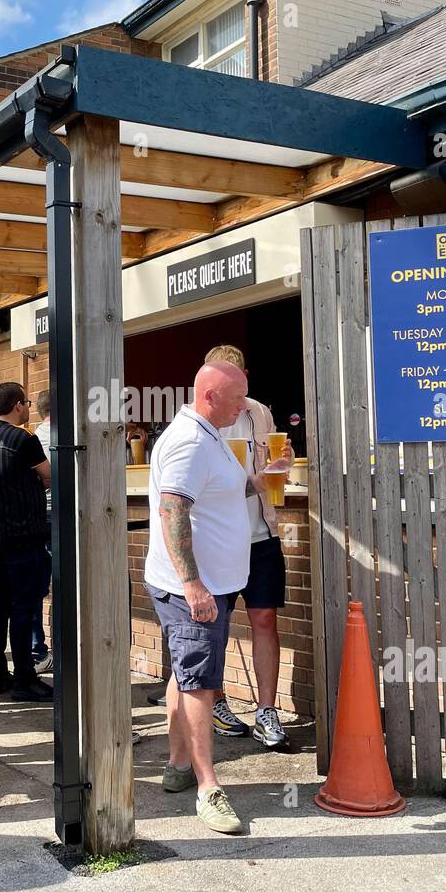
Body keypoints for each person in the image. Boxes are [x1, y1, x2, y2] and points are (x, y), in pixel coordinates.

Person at [145, 360, 291, 835]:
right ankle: (208, 787)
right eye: (237, 399)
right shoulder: (190, 442)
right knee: (200, 683)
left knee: (185, 673)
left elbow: (225, 492)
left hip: (211, 584)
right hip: (195, 589)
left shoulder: (209, 433)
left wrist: (265, 475)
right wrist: (193, 585)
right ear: (210, 396)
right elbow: (173, 513)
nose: (243, 407)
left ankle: (179, 764)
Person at [204, 344, 293, 749]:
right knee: (214, 627)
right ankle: (217, 702)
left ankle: (266, 711)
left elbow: (271, 465)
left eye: (240, 386)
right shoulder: (199, 419)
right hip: (219, 539)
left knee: (264, 620)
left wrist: (283, 461)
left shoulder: (259, 412)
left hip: (261, 535)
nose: (237, 397)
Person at [0, 382, 52, 700]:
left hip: (0, 535)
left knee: (1, 604)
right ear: (18, 405)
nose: (28, 408)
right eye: (27, 403)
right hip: (27, 534)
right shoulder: (24, 439)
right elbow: (50, 474)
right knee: (26, 607)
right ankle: (25, 678)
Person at [29, 389, 53, 673]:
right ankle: (68, 646)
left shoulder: (31, 438)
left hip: (37, 517)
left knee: (35, 589)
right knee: (67, 585)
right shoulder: (69, 436)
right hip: (62, 515)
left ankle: (38, 651)